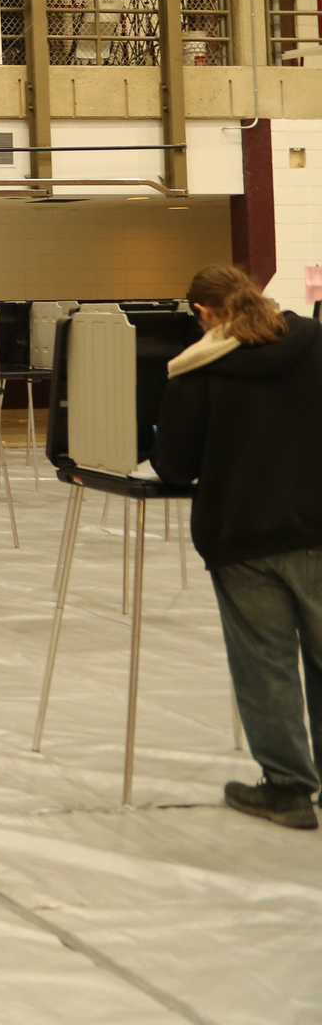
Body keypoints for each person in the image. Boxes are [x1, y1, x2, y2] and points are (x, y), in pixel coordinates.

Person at [155, 264, 322, 830]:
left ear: (204, 312)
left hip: (244, 536)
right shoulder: (316, 343)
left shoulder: (198, 371)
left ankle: (289, 790)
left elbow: (175, 464)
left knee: (267, 665)